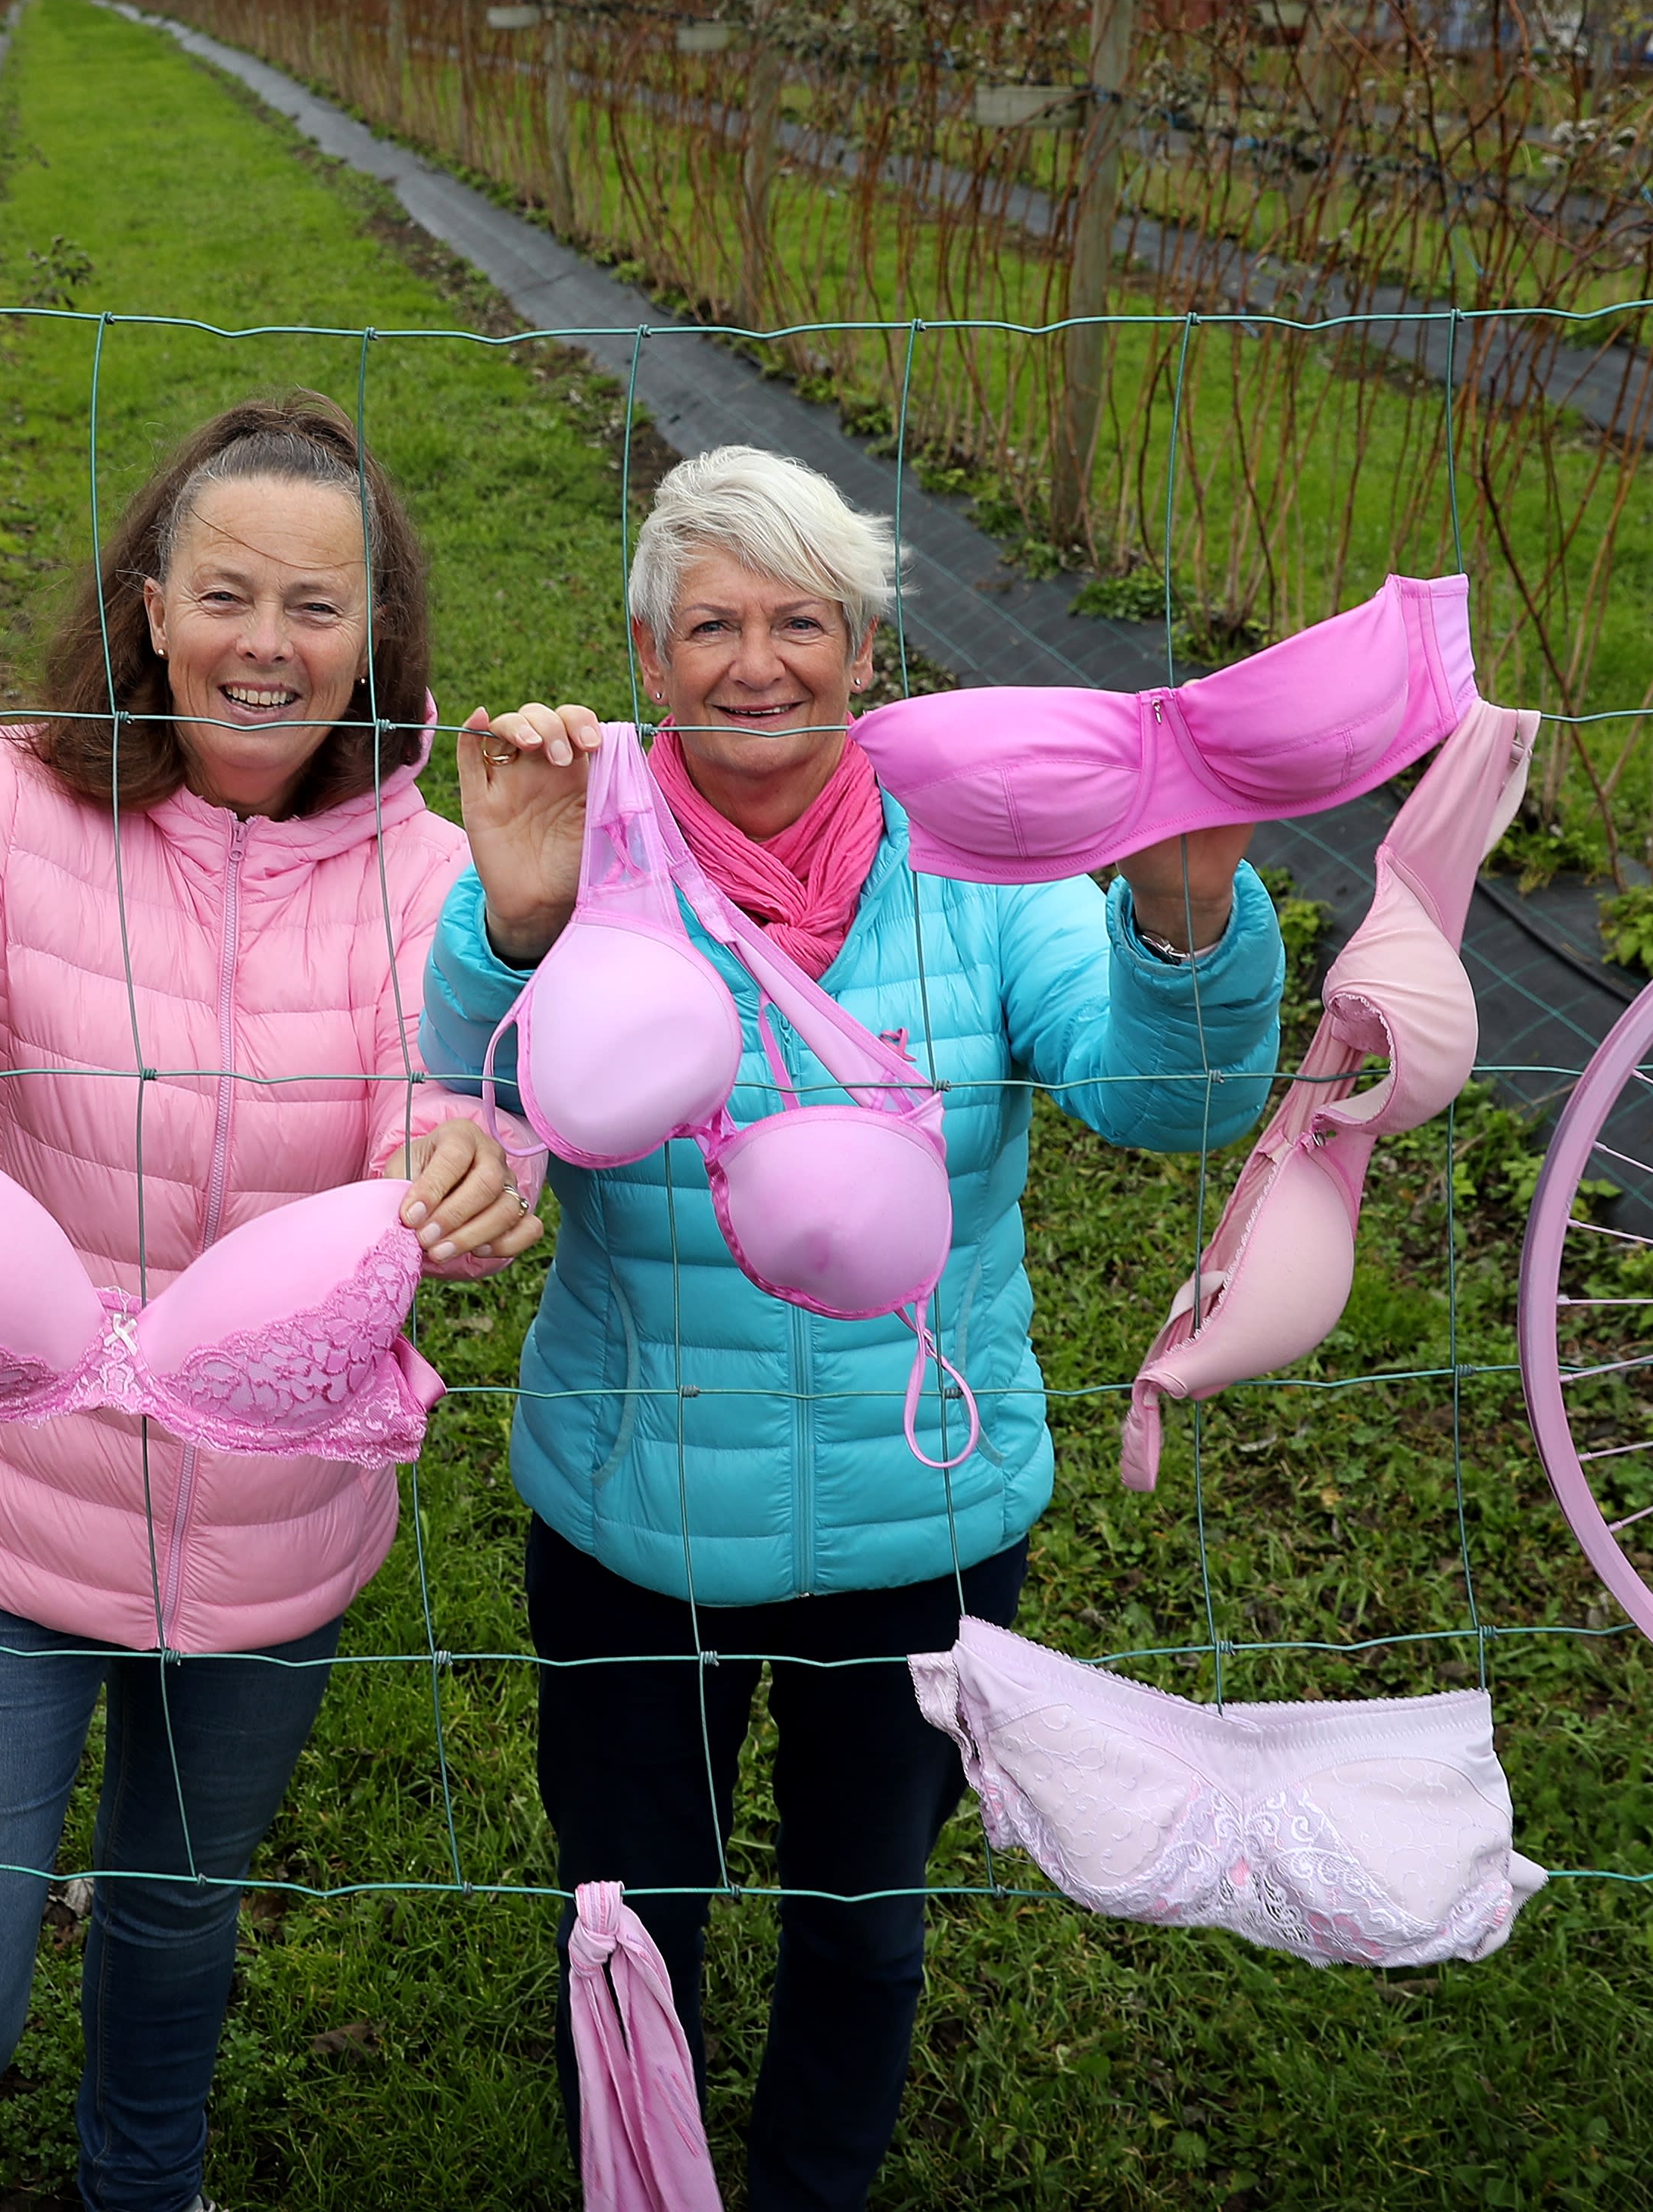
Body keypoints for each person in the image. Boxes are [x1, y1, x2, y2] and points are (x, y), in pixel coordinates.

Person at [0, 393, 538, 2212]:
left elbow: (464, 1110)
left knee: (173, 1925)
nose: (268, 647)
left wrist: (480, 1170)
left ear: (378, 630)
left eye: (319, 607)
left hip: (270, 1529)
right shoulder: (7, 795)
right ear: (149, 606)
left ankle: (142, 2189)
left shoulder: (435, 874)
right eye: (228, 594)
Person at [426, 445, 1283, 2210]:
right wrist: (511, 919)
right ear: (647, 662)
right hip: (636, 1515)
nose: (760, 664)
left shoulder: (984, 863)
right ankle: (639, 2172)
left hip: (921, 1523)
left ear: (868, 651)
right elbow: (461, 1089)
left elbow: (1160, 1100)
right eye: (713, 625)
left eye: (801, 621)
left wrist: (1187, 909)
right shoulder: (572, 853)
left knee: (867, 1929)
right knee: (632, 1924)